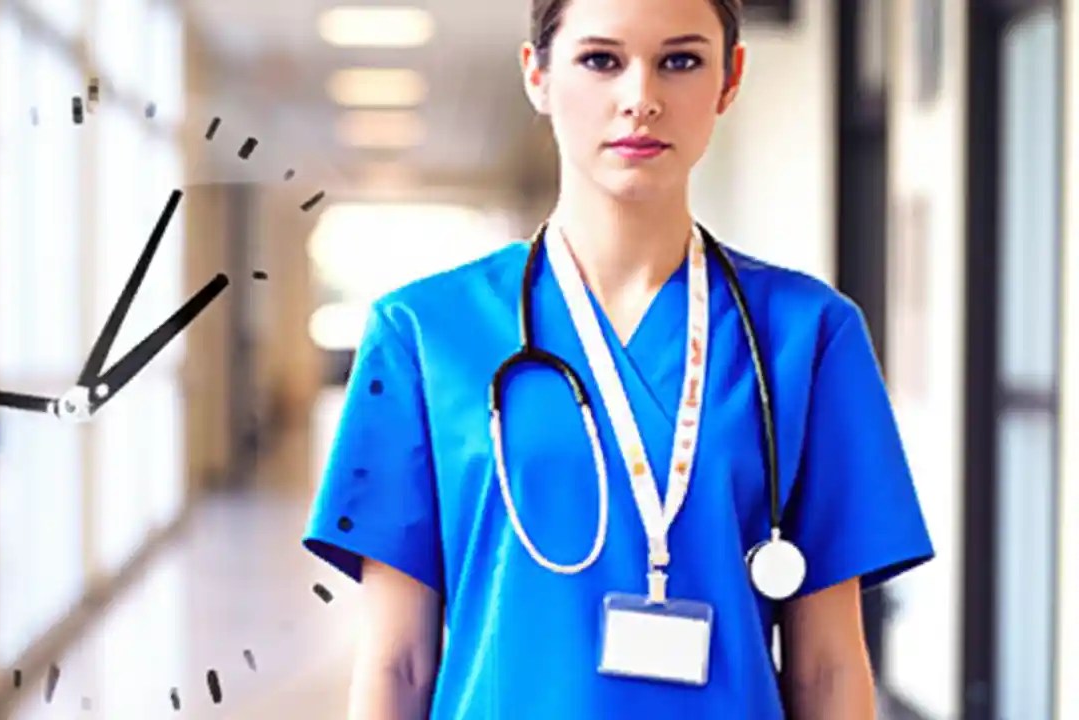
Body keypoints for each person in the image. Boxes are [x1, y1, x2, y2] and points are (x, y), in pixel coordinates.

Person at [301, 0, 934, 717]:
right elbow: (398, 664)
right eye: (601, 60)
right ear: (536, 74)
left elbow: (829, 668)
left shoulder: (807, 336)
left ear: (730, 79)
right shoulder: (422, 333)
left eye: (680, 61)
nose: (641, 99)